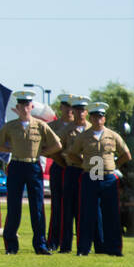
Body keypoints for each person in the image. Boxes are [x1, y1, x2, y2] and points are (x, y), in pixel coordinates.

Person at [0, 90, 62, 255]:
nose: (25, 108)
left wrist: (43, 152)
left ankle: (40, 245)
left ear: (31, 106)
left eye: (27, 105)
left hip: (33, 166)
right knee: (14, 207)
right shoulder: (11, 126)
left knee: (37, 207)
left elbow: (57, 144)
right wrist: (9, 149)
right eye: (21, 105)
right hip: (16, 165)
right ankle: (11, 246)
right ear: (17, 107)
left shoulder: (40, 125)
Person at [69, 101, 132, 256]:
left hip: (108, 177)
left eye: (101, 117)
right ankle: (83, 248)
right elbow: (72, 154)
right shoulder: (84, 136)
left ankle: (114, 248)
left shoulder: (112, 135)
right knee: (87, 214)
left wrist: (114, 165)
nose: (98, 120)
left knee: (112, 215)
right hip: (90, 176)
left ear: (104, 119)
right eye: (95, 117)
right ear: (90, 118)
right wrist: (84, 164)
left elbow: (126, 154)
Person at [55, 96, 90, 253]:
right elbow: (55, 149)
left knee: (88, 209)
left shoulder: (93, 129)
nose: (79, 112)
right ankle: (66, 245)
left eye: (82, 110)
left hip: (90, 172)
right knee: (68, 209)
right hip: (72, 170)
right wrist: (64, 164)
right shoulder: (66, 130)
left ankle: (88, 245)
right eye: (76, 110)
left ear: (86, 112)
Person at [45, 93, 75, 250]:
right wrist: (57, 159)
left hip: (76, 168)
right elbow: (44, 148)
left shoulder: (83, 127)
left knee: (77, 206)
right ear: (61, 107)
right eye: (66, 106)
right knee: (57, 206)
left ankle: (73, 242)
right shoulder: (52, 127)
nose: (69, 110)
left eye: (72, 107)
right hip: (58, 167)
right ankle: (54, 241)